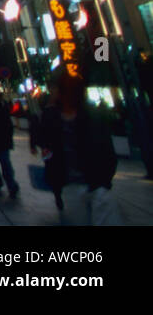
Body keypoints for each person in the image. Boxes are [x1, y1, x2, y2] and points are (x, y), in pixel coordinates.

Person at [38, 75, 119, 225]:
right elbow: (45, 144)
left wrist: (105, 179)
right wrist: (52, 170)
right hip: (70, 184)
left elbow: (107, 148)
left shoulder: (93, 115)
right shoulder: (50, 116)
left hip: (97, 182)